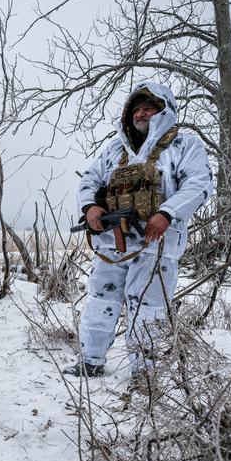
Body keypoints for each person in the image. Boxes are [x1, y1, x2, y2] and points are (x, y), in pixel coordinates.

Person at [65, 82, 215, 377]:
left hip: (156, 242)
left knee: (149, 307)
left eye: (149, 107)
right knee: (100, 300)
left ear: (164, 112)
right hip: (112, 242)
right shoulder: (114, 149)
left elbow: (200, 184)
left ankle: (145, 375)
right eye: (136, 108)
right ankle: (91, 360)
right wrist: (90, 207)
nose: (141, 112)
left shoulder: (184, 145)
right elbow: (89, 181)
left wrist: (167, 214)